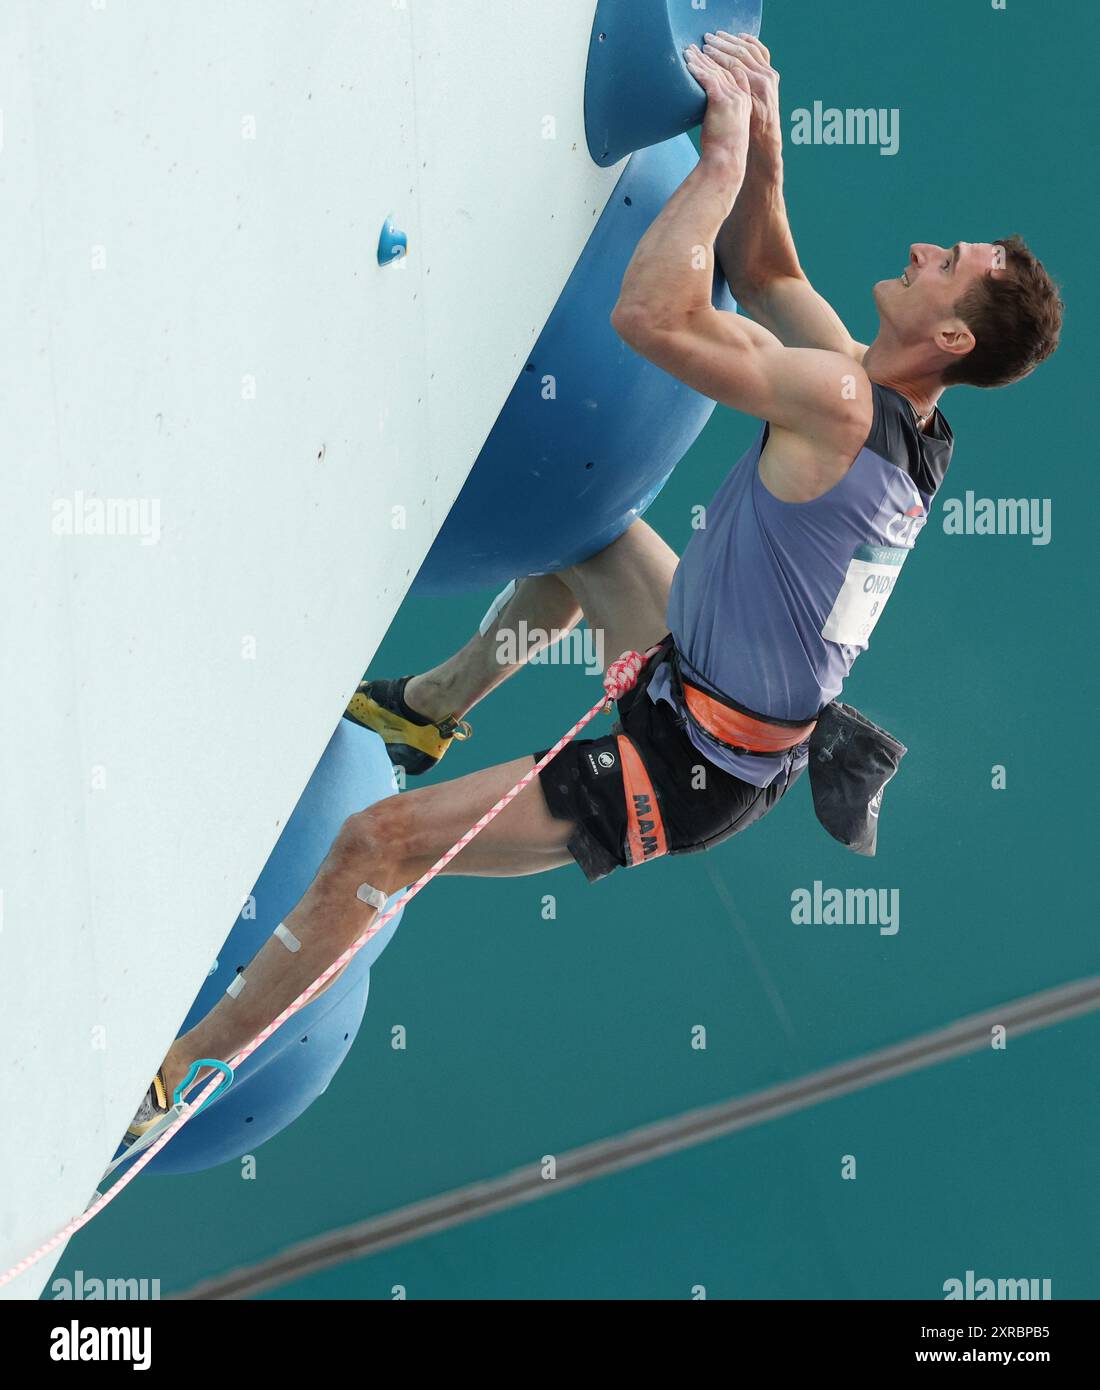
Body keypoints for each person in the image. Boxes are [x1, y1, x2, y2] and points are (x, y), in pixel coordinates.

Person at [128, 33, 1062, 1136]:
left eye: (945, 261)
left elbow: (650, 319)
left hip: (689, 764)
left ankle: (177, 1079)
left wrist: (717, 168)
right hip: (706, 673)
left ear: (948, 332)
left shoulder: (845, 404)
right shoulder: (908, 418)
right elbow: (770, 275)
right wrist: (761, 135)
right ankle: (427, 710)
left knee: (376, 846)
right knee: (583, 527)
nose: (920, 247)